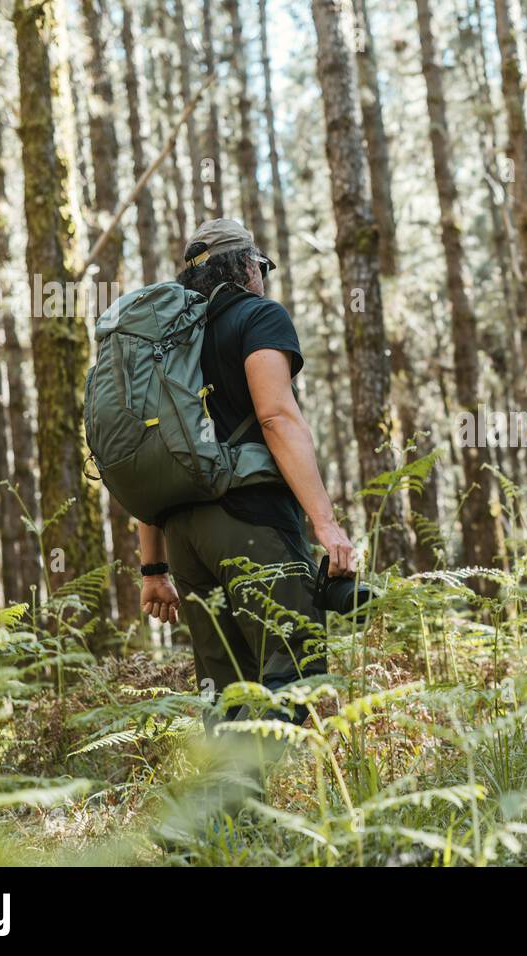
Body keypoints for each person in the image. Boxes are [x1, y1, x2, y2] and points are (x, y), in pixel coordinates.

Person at [136, 219, 356, 725]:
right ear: (244, 268)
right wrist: (324, 523)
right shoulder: (258, 316)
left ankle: (225, 805)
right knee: (291, 677)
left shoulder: (163, 343)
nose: (264, 278)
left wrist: (154, 569)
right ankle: (242, 793)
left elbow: (148, 455)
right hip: (250, 522)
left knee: (227, 699)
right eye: (262, 266)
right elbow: (276, 416)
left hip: (183, 538)